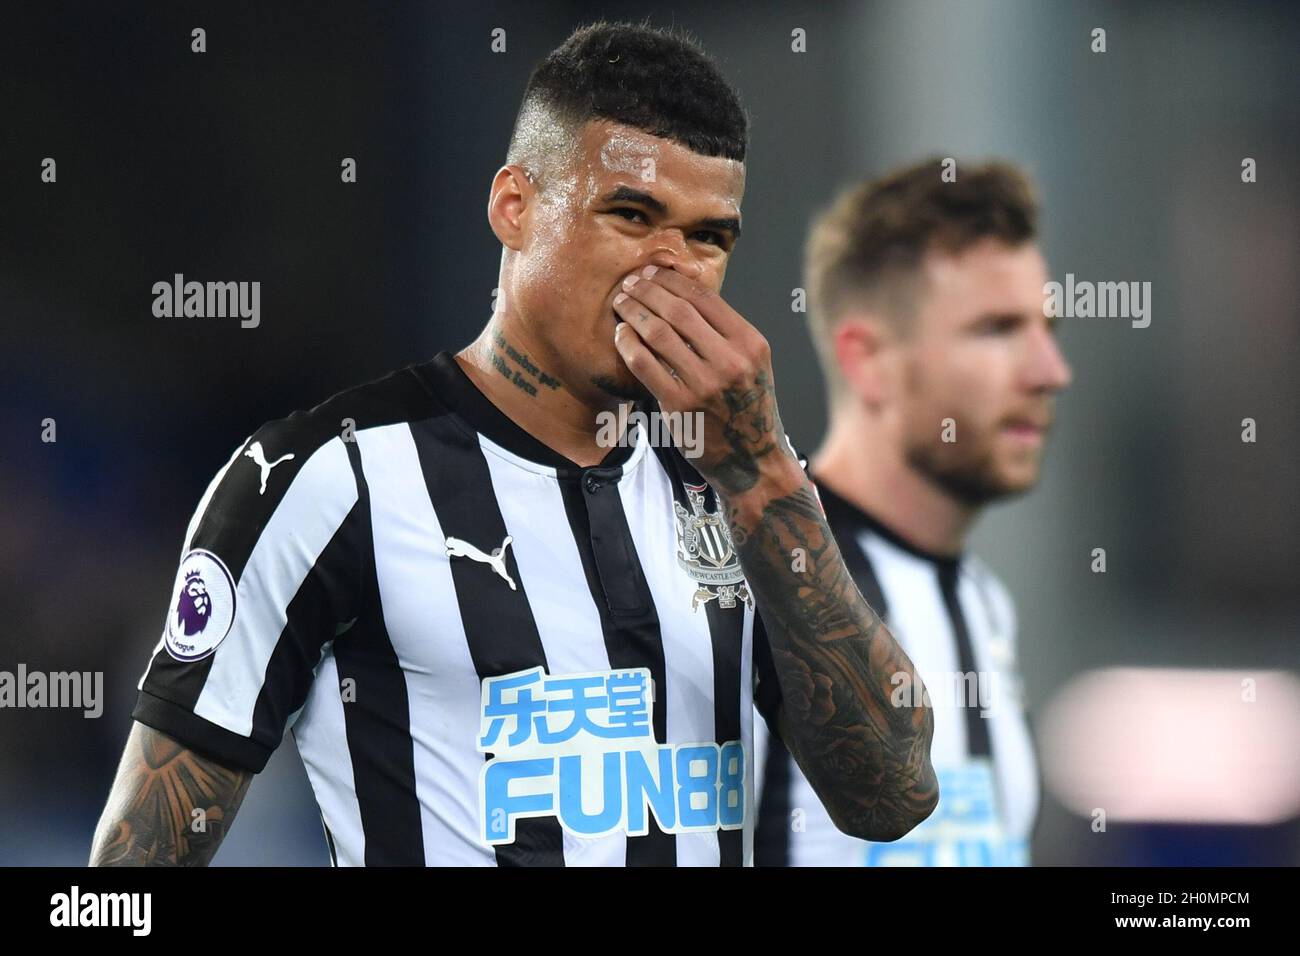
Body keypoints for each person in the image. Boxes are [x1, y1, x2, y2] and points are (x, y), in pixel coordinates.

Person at [90, 22, 938, 867]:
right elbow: (134, 867)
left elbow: (891, 795)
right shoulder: (327, 477)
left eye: (709, 236)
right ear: (514, 207)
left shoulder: (742, 480)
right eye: (632, 215)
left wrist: (763, 478)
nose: (671, 269)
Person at [755, 158, 1072, 866]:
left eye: (1046, 327)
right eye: (997, 329)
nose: (1050, 371)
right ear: (870, 362)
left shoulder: (986, 601)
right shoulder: (752, 585)